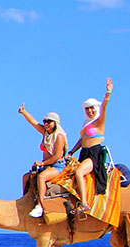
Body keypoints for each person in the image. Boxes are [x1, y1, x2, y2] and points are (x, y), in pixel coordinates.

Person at [67, 77, 113, 211]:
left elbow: (104, 108)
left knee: (79, 172)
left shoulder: (99, 122)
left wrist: (108, 93)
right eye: (87, 109)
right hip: (84, 152)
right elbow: (82, 140)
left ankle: (84, 204)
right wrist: (71, 152)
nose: (90, 111)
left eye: (92, 108)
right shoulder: (86, 124)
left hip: (94, 153)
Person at [17, 104, 67, 218]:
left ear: (55, 123)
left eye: (49, 121)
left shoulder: (59, 136)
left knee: (41, 177)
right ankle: (25, 201)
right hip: (46, 165)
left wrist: (42, 163)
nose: (46, 124)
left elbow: (57, 155)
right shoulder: (46, 133)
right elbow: (33, 122)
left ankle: (40, 205)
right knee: (25, 177)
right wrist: (24, 112)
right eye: (44, 121)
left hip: (57, 165)